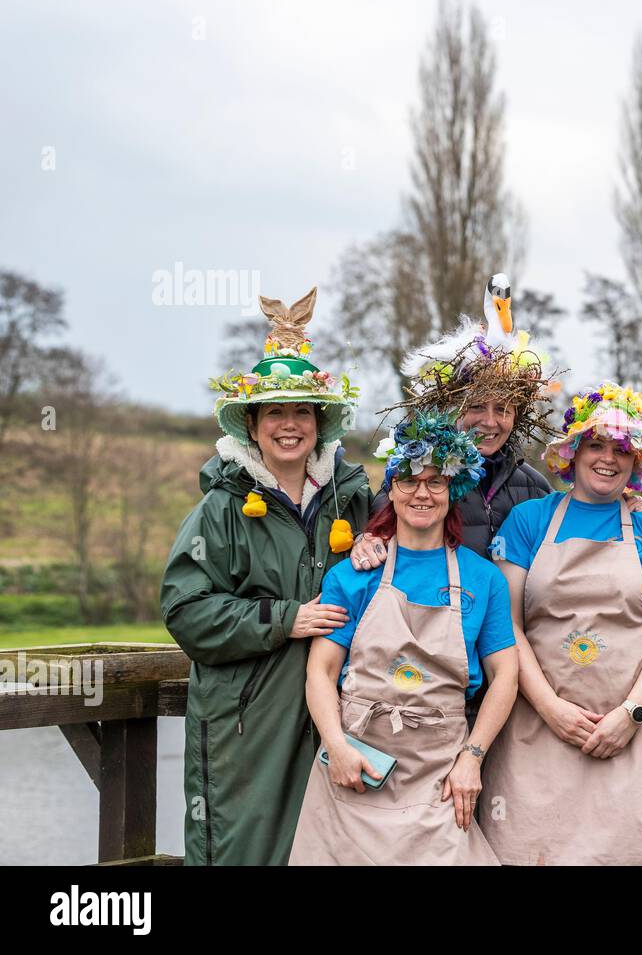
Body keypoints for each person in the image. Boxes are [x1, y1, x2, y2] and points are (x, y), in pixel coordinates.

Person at [160, 287, 372, 865]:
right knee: (245, 852)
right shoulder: (221, 510)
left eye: (302, 411)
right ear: (251, 425)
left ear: (320, 423)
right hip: (247, 722)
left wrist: (381, 546)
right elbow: (186, 612)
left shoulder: (351, 498)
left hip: (340, 712)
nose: (289, 425)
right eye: (275, 412)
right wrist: (286, 618)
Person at [479, 383, 642, 865]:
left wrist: (632, 713)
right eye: (595, 445)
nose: (608, 459)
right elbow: (506, 627)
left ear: (637, 461)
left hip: (635, 737)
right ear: (572, 452)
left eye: (622, 449)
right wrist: (550, 707)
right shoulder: (528, 521)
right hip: (536, 734)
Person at [289, 411, 518, 865]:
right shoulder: (353, 577)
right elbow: (321, 669)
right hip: (356, 765)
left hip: (440, 773)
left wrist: (472, 757)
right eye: (409, 479)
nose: (421, 493)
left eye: (436, 483)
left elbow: (506, 674)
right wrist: (335, 746)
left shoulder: (484, 579)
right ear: (391, 488)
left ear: (453, 493)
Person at [351, 274, 559, 566]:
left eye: (502, 410)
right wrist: (366, 540)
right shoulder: (418, 474)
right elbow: (377, 533)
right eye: (475, 406)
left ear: (517, 416)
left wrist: (628, 506)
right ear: (453, 406)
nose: (489, 421)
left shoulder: (534, 488)